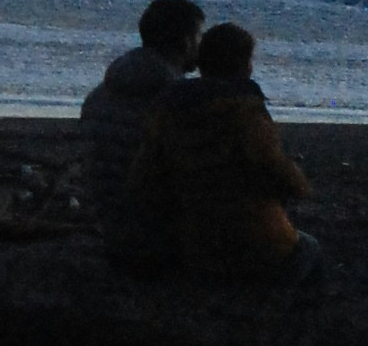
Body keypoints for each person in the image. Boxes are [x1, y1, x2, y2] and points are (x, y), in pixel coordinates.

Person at [125, 20, 321, 296]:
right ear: (244, 65)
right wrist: (297, 179)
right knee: (310, 250)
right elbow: (282, 176)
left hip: (195, 246)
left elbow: (142, 180)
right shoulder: (244, 112)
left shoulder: (168, 112)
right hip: (255, 244)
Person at [78, 0, 204, 267]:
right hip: (161, 240)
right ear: (184, 41)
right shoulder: (178, 102)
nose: (201, 46)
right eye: (198, 37)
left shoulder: (98, 96)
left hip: (111, 231)